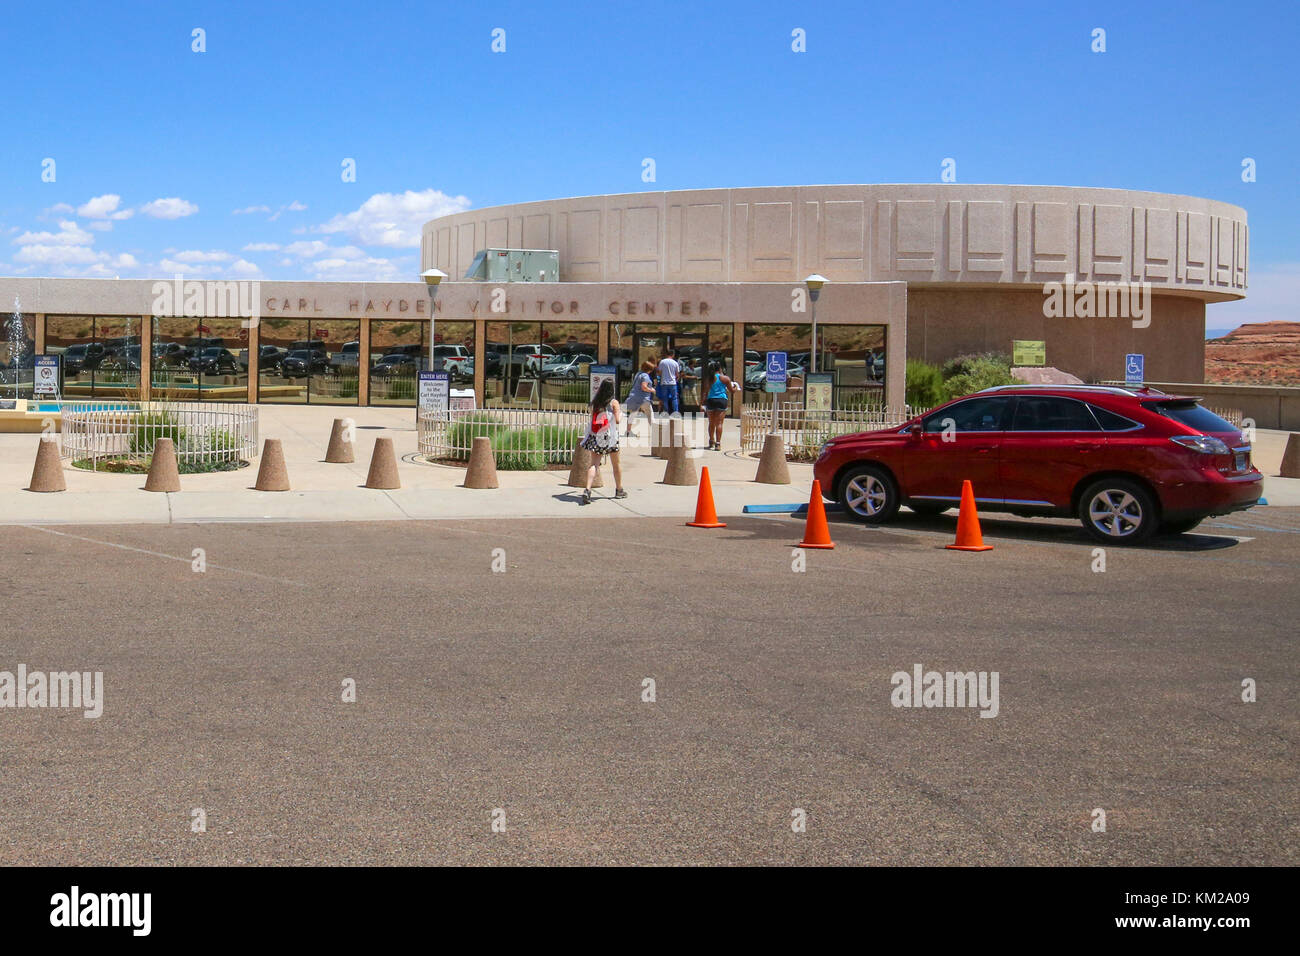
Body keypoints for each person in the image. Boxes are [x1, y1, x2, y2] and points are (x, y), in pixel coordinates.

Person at [580, 378, 625, 504]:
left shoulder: (595, 402)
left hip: (597, 437)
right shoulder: (614, 403)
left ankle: (587, 490)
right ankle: (619, 489)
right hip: (610, 438)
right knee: (616, 464)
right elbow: (617, 420)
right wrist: (621, 414)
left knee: (594, 464)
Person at [701, 360, 740, 450]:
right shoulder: (725, 378)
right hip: (722, 400)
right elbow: (732, 391)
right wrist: (735, 387)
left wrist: (702, 403)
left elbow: (705, 392)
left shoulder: (709, 379)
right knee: (719, 423)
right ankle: (718, 444)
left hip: (711, 400)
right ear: (720, 368)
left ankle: (711, 440)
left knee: (711, 422)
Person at [624, 360, 656, 437]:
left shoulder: (638, 374)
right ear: (649, 369)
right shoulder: (645, 376)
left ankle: (628, 432)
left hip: (634, 398)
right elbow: (644, 387)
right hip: (643, 399)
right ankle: (656, 433)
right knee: (650, 415)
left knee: (632, 415)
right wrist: (652, 390)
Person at [656, 348, 681, 416]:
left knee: (665, 398)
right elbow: (677, 374)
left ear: (667, 354)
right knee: (674, 398)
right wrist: (676, 379)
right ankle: (675, 412)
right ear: (673, 355)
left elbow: (659, 373)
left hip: (664, 382)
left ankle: (666, 412)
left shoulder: (662, 362)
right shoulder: (675, 363)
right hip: (672, 383)